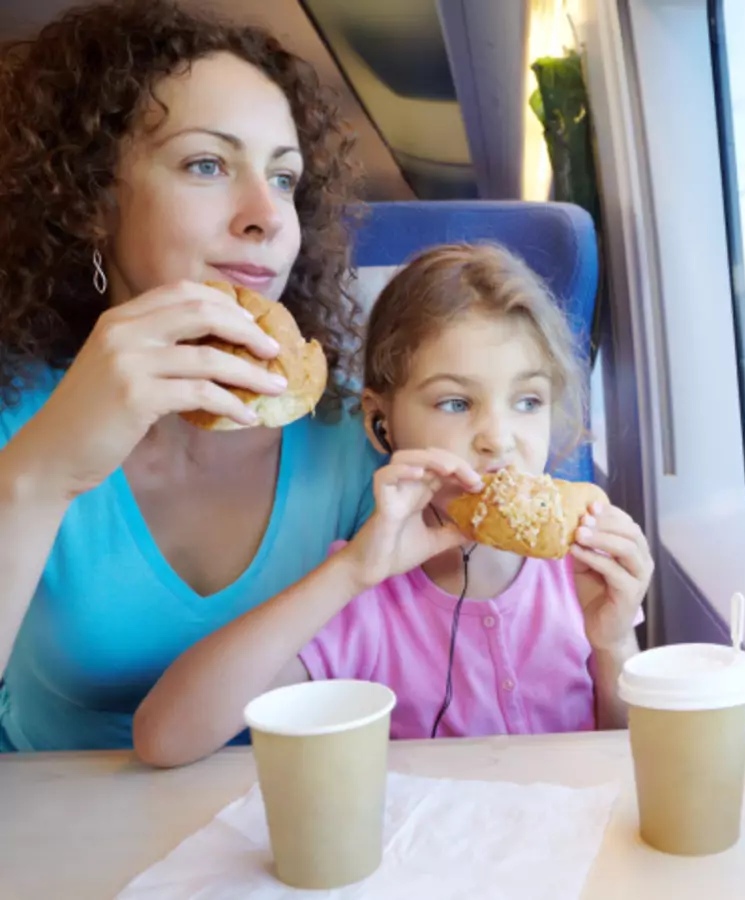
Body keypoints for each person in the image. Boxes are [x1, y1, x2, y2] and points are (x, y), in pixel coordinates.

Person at [0, 0, 385, 752]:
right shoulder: (16, 415)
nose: (265, 217)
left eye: (283, 178)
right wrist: (40, 475)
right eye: (206, 164)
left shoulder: (353, 435)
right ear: (91, 199)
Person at [133, 244, 652, 768]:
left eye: (527, 402)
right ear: (383, 421)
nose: (499, 439)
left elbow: (633, 760)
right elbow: (165, 738)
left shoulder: (579, 571)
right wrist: (352, 572)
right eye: (455, 402)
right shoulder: (367, 593)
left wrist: (613, 645)